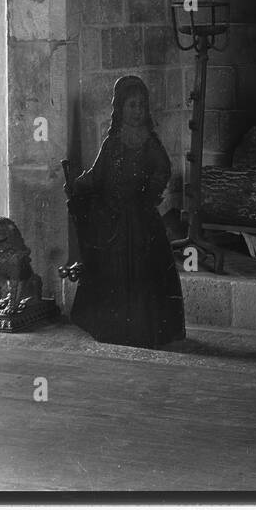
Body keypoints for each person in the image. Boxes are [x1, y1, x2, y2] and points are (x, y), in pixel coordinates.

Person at [65, 75, 185, 348]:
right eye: (132, 105)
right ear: (120, 108)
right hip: (113, 220)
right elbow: (97, 175)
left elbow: (163, 169)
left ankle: (144, 330)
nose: (137, 111)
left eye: (141, 105)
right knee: (113, 271)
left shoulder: (150, 142)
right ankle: (116, 329)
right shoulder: (113, 142)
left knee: (143, 273)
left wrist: (149, 193)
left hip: (141, 221)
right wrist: (77, 184)